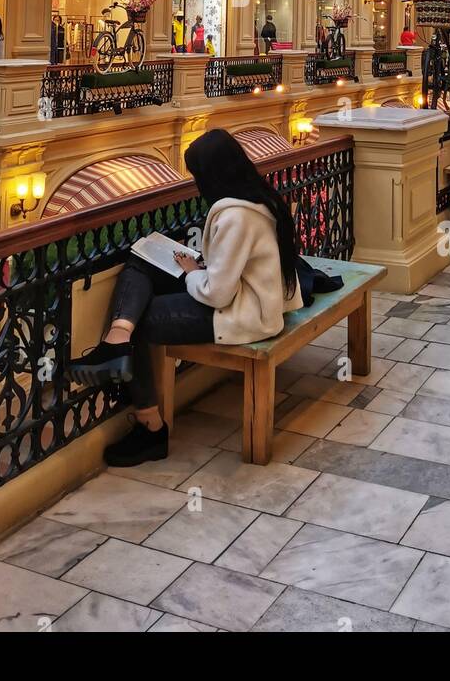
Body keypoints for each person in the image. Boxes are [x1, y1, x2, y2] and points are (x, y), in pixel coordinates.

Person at [66, 129, 303, 467]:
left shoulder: (237, 216)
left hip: (241, 316)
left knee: (143, 323)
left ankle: (151, 429)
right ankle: (116, 338)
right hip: (243, 303)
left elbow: (219, 293)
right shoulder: (255, 199)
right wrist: (199, 267)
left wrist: (193, 273)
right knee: (142, 261)